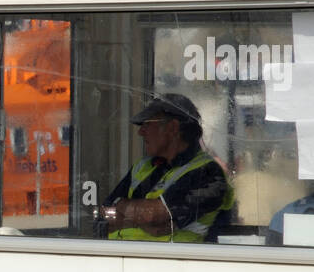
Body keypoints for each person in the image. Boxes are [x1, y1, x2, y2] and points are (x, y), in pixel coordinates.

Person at [99, 93, 233, 242]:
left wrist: (123, 207)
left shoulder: (207, 172)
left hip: (172, 261)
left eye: (147, 124)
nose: (141, 132)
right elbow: (104, 213)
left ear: (172, 128)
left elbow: (153, 215)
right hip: (123, 258)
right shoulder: (143, 166)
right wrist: (141, 217)